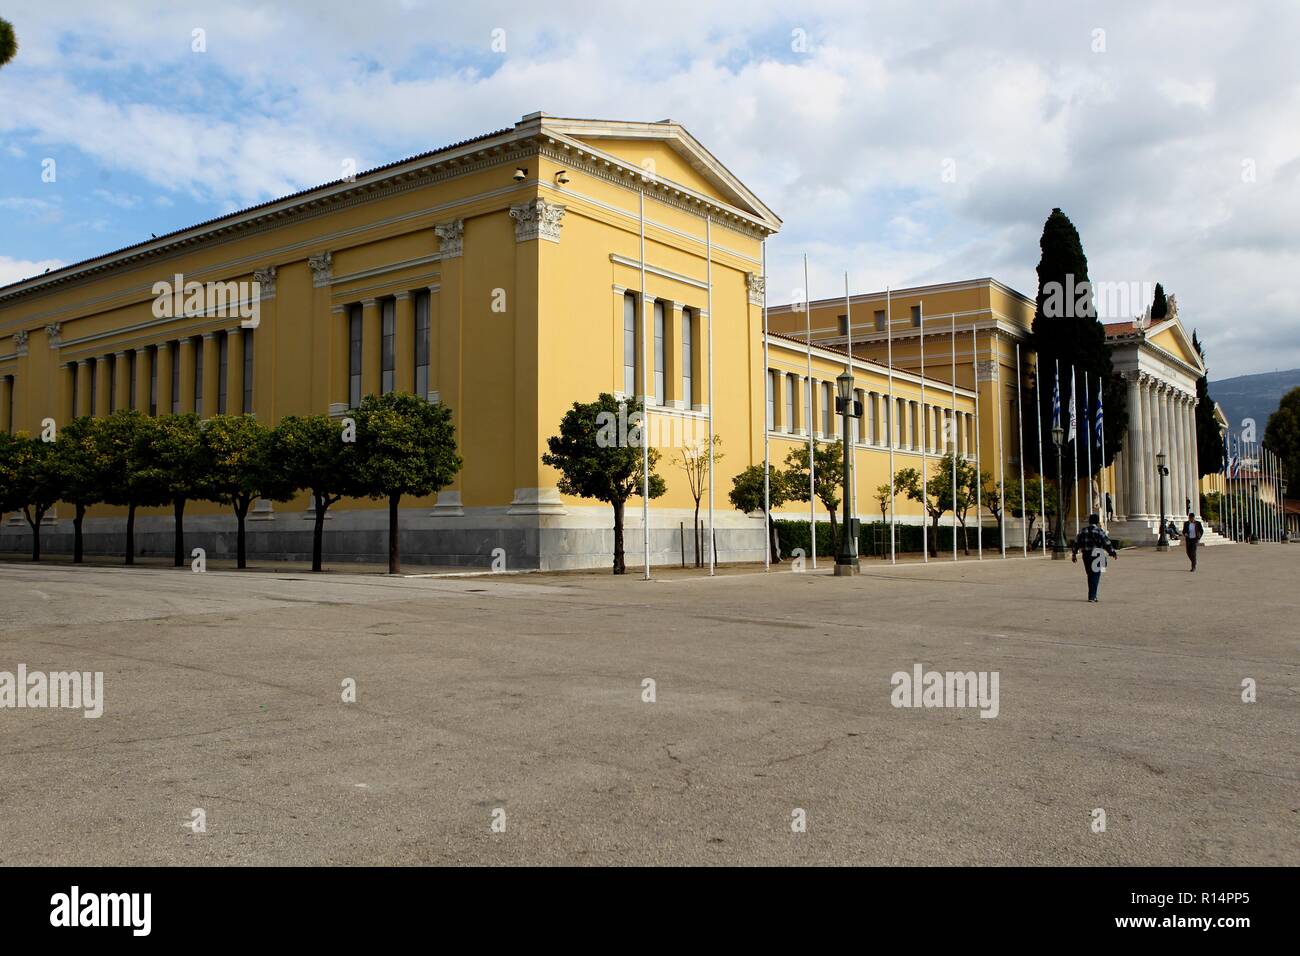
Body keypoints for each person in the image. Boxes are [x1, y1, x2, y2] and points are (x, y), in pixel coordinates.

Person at [1071, 512, 1119, 603]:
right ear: (1097, 522)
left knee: (1090, 574)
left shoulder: (1083, 531)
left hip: (1086, 554)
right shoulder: (1099, 531)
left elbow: (1076, 543)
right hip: (1098, 553)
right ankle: (1092, 596)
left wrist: (1074, 554)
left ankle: (1092, 595)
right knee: (1095, 575)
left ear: (1089, 521)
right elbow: (1106, 543)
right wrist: (1112, 552)